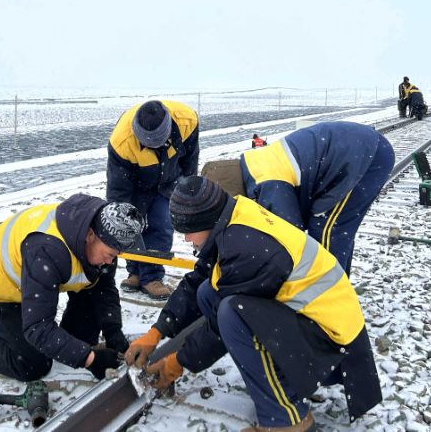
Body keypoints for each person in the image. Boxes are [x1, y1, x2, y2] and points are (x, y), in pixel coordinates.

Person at [125, 177, 382, 432]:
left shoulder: (245, 250)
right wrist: (157, 331)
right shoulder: (232, 216)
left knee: (230, 315)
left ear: (205, 221)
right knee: (207, 292)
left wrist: (176, 363)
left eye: (188, 232)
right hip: (312, 324)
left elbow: (217, 330)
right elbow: (197, 281)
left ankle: (289, 421)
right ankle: (280, 383)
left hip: (334, 347)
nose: (187, 239)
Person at [0, 194, 144, 382]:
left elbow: (102, 286)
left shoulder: (104, 232)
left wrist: (113, 331)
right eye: (108, 255)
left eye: (114, 257)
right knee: (32, 364)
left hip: (30, 280)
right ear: (89, 235)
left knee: (79, 342)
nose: (110, 262)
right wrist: (90, 360)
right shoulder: (47, 250)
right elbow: (37, 327)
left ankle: (72, 343)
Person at [203, 122, 394, 277]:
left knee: (328, 231)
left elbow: (290, 238)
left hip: (367, 157)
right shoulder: (253, 166)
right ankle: (337, 286)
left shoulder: (268, 185)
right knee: (334, 230)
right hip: (356, 148)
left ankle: (328, 305)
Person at [107, 100, 199, 300]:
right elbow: (117, 187)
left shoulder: (187, 121)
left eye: (159, 142)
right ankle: (135, 272)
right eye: (148, 144)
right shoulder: (121, 142)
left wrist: (188, 190)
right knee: (131, 223)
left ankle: (152, 277)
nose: (155, 146)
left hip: (169, 180)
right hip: (136, 183)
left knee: (162, 224)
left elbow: (190, 159)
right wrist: (120, 214)